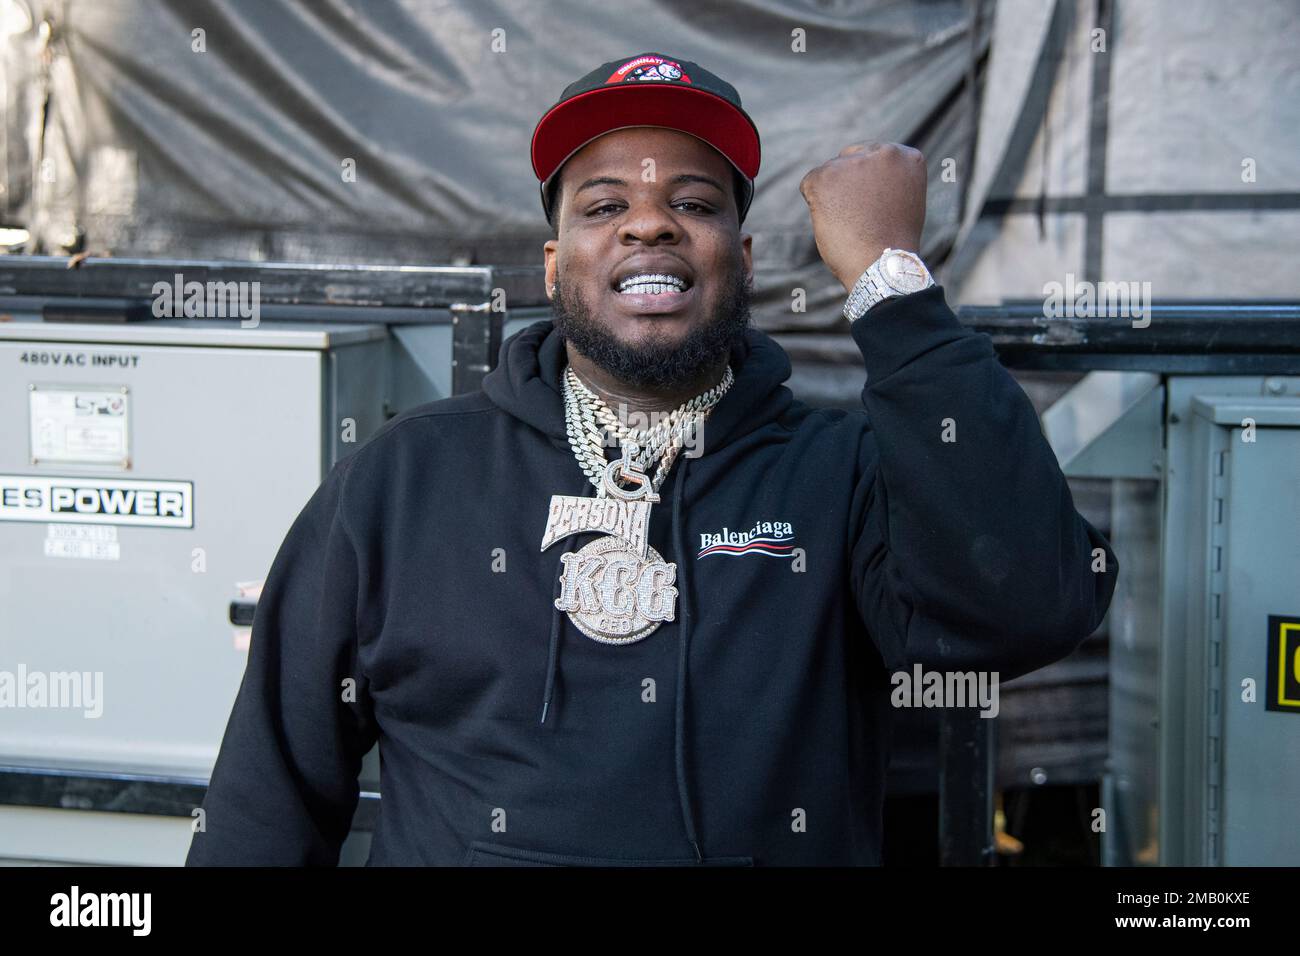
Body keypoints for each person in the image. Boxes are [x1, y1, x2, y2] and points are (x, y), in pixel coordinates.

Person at [186, 52, 1118, 866]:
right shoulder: (402, 479)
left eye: (693, 203)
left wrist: (890, 282)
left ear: (744, 259)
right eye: (605, 205)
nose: (649, 225)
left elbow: (1029, 608)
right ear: (554, 265)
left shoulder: (845, 476)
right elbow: (267, 801)